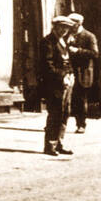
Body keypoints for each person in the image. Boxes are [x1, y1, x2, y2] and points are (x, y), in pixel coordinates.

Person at [38, 15, 76, 155]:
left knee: (65, 112)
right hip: (54, 84)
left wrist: (71, 74)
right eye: (62, 27)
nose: (64, 30)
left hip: (67, 82)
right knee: (55, 113)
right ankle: (50, 145)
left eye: (66, 28)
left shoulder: (64, 41)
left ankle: (59, 142)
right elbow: (47, 65)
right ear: (55, 27)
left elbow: (68, 61)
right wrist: (62, 75)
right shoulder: (47, 42)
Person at [66, 12, 99, 134]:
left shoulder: (89, 36)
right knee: (69, 98)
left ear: (78, 23)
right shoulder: (67, 35)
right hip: (69, 71)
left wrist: (77, 50)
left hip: (83, 72)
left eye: (71, 23)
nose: (69, 26)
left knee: (80, 99)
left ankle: (81, 124)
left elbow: (95, 53)